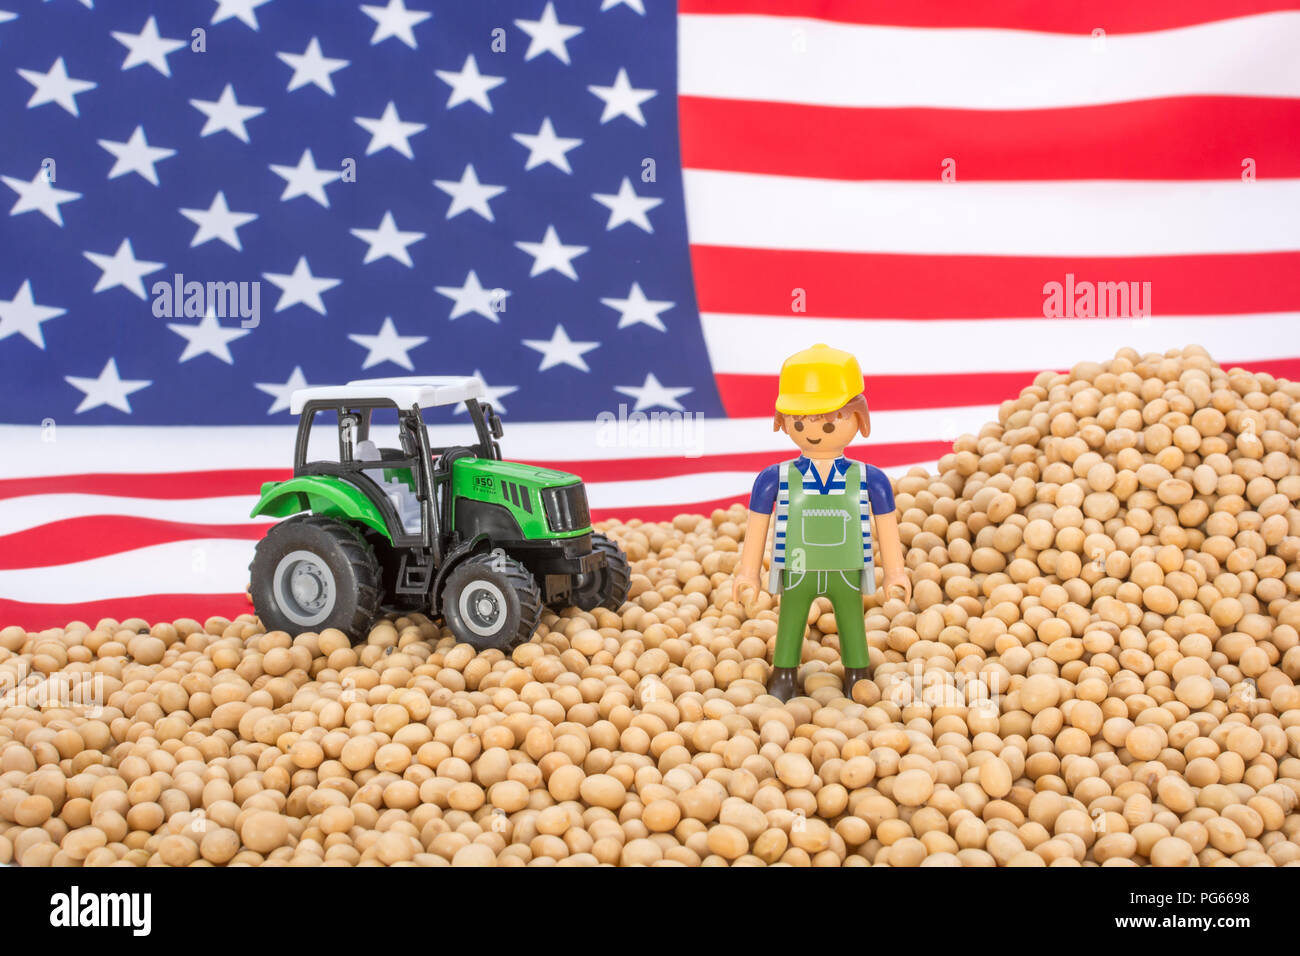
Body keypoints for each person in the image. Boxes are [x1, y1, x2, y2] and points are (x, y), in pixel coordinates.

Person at [733, 344, 912, 702]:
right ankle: (784, 673)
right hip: (797, 567)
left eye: (829, 423)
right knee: (791, 619)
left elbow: (887, 526)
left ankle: (857, 673)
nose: (813, 432)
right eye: (799, 422)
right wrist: (748, 573)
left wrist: (895, 572)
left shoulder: (870, 479)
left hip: (847, 566)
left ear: (859, 418)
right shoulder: (774, 478)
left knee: (851, 621)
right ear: (783, 421)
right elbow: (757, 526)